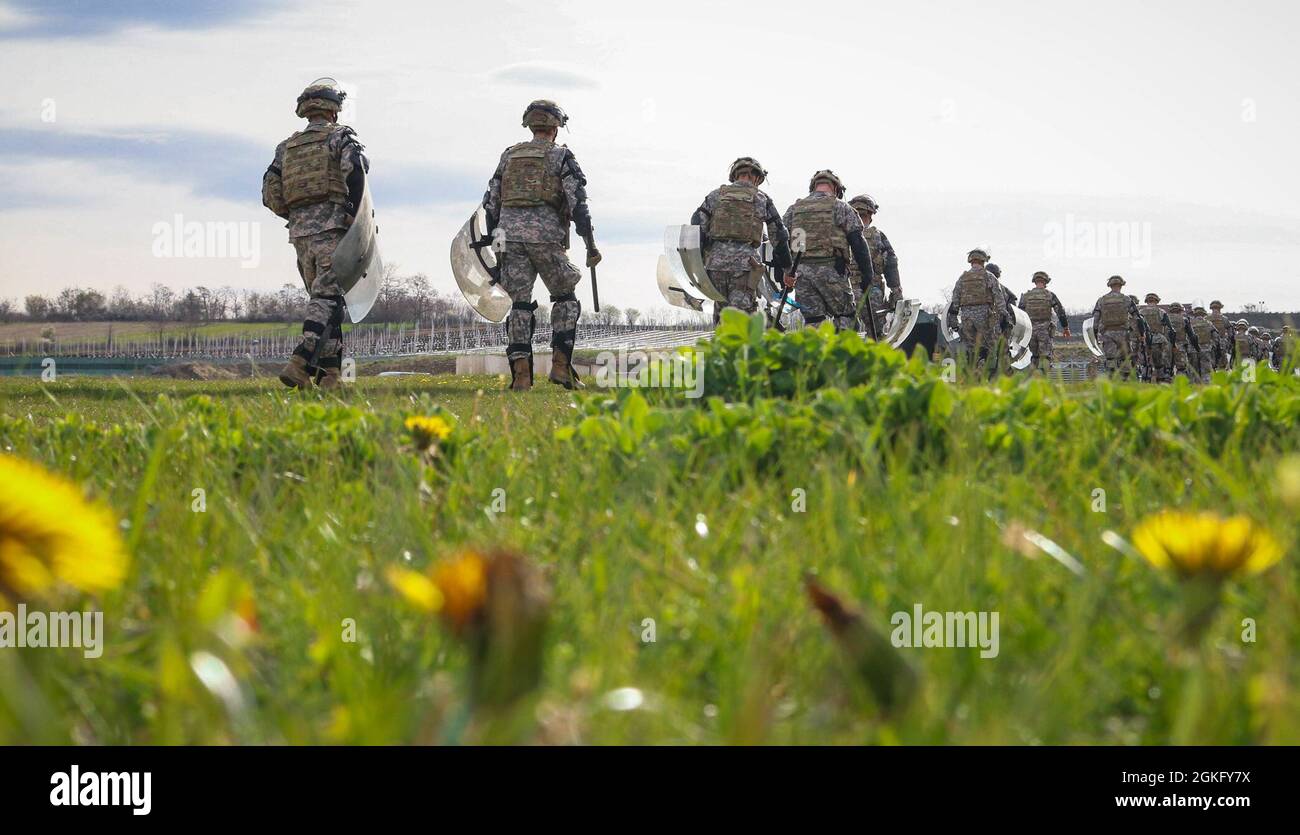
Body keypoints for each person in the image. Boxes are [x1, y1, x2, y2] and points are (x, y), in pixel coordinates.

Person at [482, 100, 599, 391]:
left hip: (510, 238)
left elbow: (490, 204)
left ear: (530, 124)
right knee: (566, 299)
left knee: (519, 305)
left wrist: (497, 243)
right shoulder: (561, 156)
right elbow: (578, 204)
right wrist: (590, 244)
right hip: (546, 238)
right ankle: (560, 367)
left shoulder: (509, 155)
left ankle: (521, 377)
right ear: (555, 128)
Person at [263, 78, 369, 389]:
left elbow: (270, 191)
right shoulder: (341, 138)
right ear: (334, 111)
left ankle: (331, 377)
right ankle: (300, 360)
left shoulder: (286, 148)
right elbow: (357, 173)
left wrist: (296, 215)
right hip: (333, 229)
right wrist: (351, 216)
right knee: (327, 298)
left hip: (300, 234)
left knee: (327, 302)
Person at [691, 158, 791, 325]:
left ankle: (721, 350)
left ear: (735, 175)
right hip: (744, 268)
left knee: (722, 317)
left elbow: (696, 225)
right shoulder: (761, 198)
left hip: (715, 269)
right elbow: (779, 235)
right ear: (757, 178)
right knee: (744, 320)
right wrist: (788, 269)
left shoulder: (716, 195)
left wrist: (701, 263)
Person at [780, 170, 877, 332]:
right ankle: (845, 353)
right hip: (832, 272)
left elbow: (780, 240)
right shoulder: (840, 207)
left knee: (813, 321)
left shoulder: (794, 209)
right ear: (836, 188)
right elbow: (858, 242)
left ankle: (815, 354)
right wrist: (867, 275)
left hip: (802, 275)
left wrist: (785, 271)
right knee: (846, 317)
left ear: (813, 187)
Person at [845, 193, 901, 338]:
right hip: (871, 291)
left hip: (846, 291)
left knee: (844, 333)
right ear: (870, 214)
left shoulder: (841, 235)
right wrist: (896, 292)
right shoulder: (878, 236)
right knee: (876, 335)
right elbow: (891, 265)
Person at [945, 248, 1007, 372]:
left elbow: (955, 301)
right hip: (984, 317)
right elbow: (999, 297)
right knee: (987, 348)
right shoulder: (989, 276)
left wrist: (953, 321)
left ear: (971, 261)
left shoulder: (962, 278)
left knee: (971, 348)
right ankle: (984, 373)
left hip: (966, 317)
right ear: (983, 261)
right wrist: (1004, 317)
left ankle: (972, 373)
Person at [1018, 271, 1070, 371]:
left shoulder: (1026, 296)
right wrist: (1066, 328)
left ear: (1034, 281)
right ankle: (1043, 380)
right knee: (1045, 357)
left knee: (1035, 356)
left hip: (1030, 331)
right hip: (1045, 330)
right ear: (1046, 282)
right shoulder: (1050, 295)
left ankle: (1033, 380)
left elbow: (1020, 315)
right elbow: (1060, 312)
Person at [1091, 276, 1137, 378]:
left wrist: (1095, 337)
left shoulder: (1101, 300)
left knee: (1110, 360)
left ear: (1110, 286)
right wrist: (1139, 334)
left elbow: (1095, 320)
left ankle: (1111, 381)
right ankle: (1125, 381)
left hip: (1107, 335)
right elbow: (1137, 317)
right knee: (1125, 359)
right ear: (1121, 285)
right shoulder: (1126, 299)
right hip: (1124, 334)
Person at [1188, 306, 1219, 381]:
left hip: (1193, 350)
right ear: (1204, 314)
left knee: (1193, 371)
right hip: (1206, 349)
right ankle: (1205, 387)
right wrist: (1212, 346)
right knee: (1206, 371)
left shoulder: (1190, 323)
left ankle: (1194, 388)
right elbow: (1216, 336)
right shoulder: (1208, 323)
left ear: (1195, 314)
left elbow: (1187, 336)